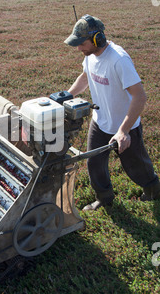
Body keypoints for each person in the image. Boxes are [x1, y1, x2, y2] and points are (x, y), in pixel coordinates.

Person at [64, 14, 160, 210]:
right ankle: (104, 198)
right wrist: (66, 96)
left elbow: (139, 96)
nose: (78, 48)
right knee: (94, 163)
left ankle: (153, 190)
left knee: (136, 166)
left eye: (81, 43)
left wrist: (123, 131)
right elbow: (85, 77)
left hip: (125, 125)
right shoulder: (90, 56)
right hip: (100, 122)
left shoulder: (119, 60)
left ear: (96, 39)